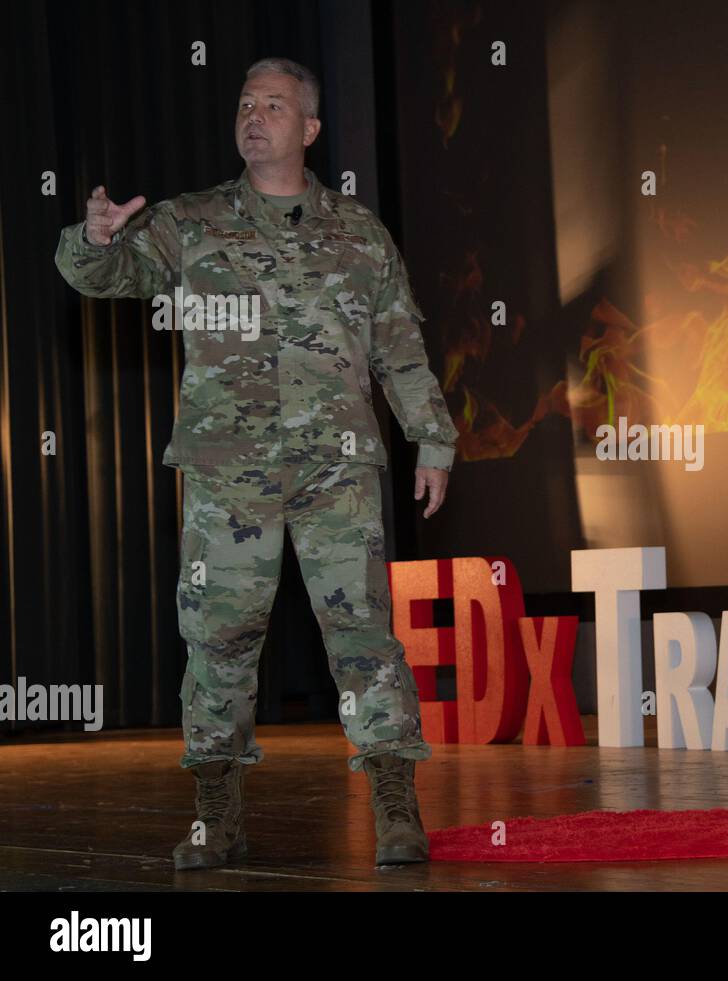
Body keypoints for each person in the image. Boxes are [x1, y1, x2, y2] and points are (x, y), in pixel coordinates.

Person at [54, 56, 456, 870]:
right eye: (245, 102)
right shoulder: (192, 221)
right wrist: (92, 239)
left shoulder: (359, 233)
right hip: (225, 474)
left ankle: (394, 805)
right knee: (219, 640)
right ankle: (216, 812)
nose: (254, 115)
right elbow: (105, 276)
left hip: (335, 469)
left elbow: (400, 343)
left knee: (362, 635)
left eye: (273, 104)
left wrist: (434, 438)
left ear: (308, 129)